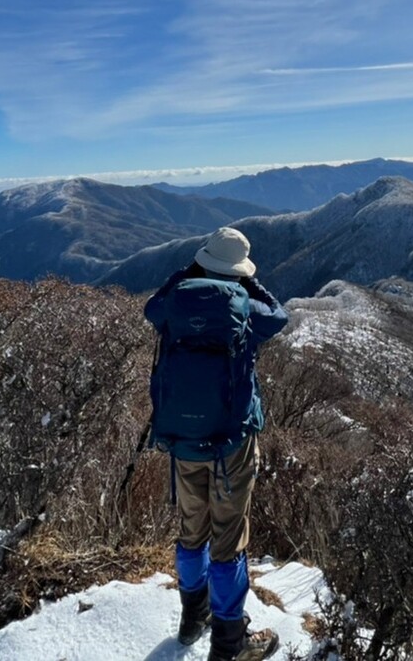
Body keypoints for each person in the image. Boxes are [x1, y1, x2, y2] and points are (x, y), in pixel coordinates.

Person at [145, 226, 289, 661]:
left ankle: (193, 619)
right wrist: (248, 281)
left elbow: (151, 306)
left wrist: (189, 271)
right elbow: (278, 315)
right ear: (238, 272)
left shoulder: (172, 302)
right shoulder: (246, 307)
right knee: (229, 539)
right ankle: (229, 644)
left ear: (202, 260)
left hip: (182, 440)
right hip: (231, 444)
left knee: (193, 530)